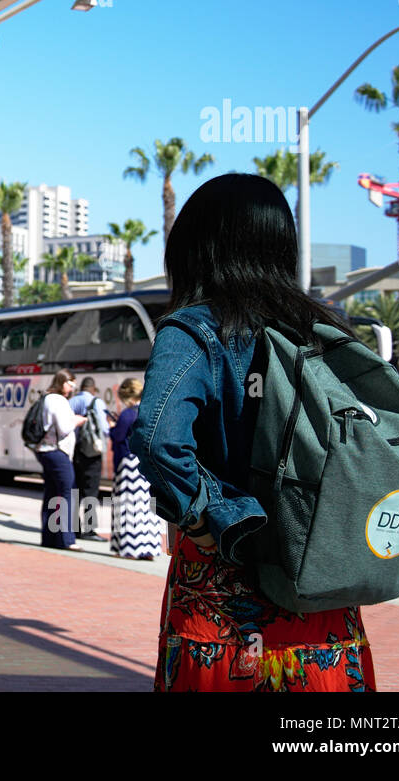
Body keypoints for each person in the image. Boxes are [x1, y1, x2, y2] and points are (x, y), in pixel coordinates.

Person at [130, 172, 375, 692]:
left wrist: (206, 515)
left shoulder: (195, 329)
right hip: (317, 584)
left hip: (222, 596)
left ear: (198, 247)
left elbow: (156, 434)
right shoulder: (323, 328)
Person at [107, 378, 161, 560]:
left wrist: (111, 428)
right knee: (148, 507)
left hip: (128, 464)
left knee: (127, 506)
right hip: (146, 464)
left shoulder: (128, 414)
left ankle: (129, 548)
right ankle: (149, 548)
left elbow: (119, 437)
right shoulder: (150, 411)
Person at [35, 369, 85, 549]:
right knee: (67, 493)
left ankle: (49, 538)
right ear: (62, 383)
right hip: (58, 452)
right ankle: (67, 539)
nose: (72, 388)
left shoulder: (46, 398)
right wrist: (77, 421)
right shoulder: (59, 401)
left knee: (51, 494)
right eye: (70, 384)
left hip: (45, 450)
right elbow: (64, 428)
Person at [69, 376, 109, 540]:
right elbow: (104, 428)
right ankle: (89, 529)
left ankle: (75, 527)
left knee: (75, 490)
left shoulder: (72, 401)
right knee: (91, 491)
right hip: (92, 452)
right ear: (93, 388)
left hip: (75, 450)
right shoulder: (96, 402)